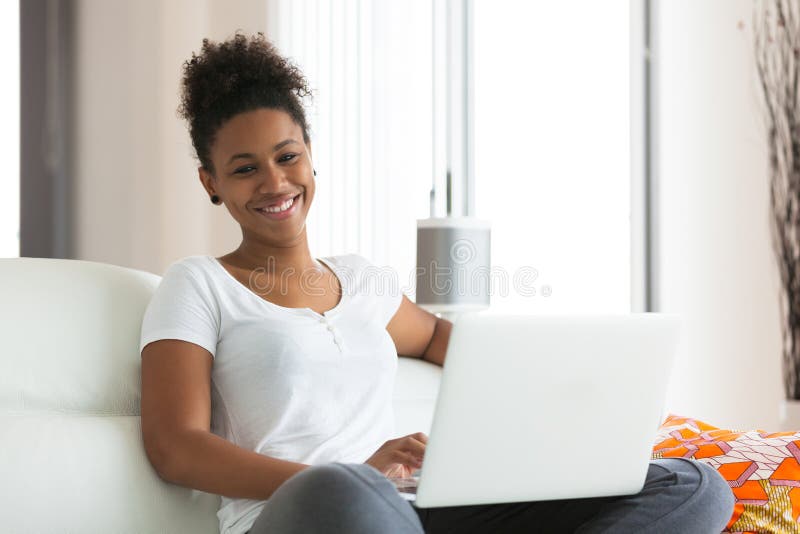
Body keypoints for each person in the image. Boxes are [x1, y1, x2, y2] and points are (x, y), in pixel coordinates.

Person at [139, 32, 734, 534]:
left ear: (311, 157)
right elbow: (175, 446)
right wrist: (351, 476)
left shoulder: (363, 282)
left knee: (692, 485)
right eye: (244, 169)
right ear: (210, 181)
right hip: (310, 510)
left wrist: (576, 398)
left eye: (287, 156)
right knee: (347, 497)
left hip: (410, 509)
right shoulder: (198, 285)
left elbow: (450, 344)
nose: (274, 182)